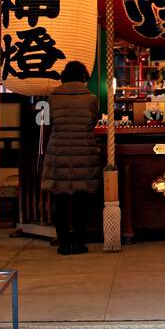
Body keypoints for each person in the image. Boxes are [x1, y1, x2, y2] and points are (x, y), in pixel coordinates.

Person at [42, 61, 100, 255]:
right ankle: (79, 241)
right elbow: (92, 121)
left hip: (59, 150)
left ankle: (64, 243)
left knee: (60, 199)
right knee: (81, 199)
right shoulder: (91, 98)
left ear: (64, 75)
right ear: (84, 76)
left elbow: (49, 122)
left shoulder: (53, 97)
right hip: (84, 149)